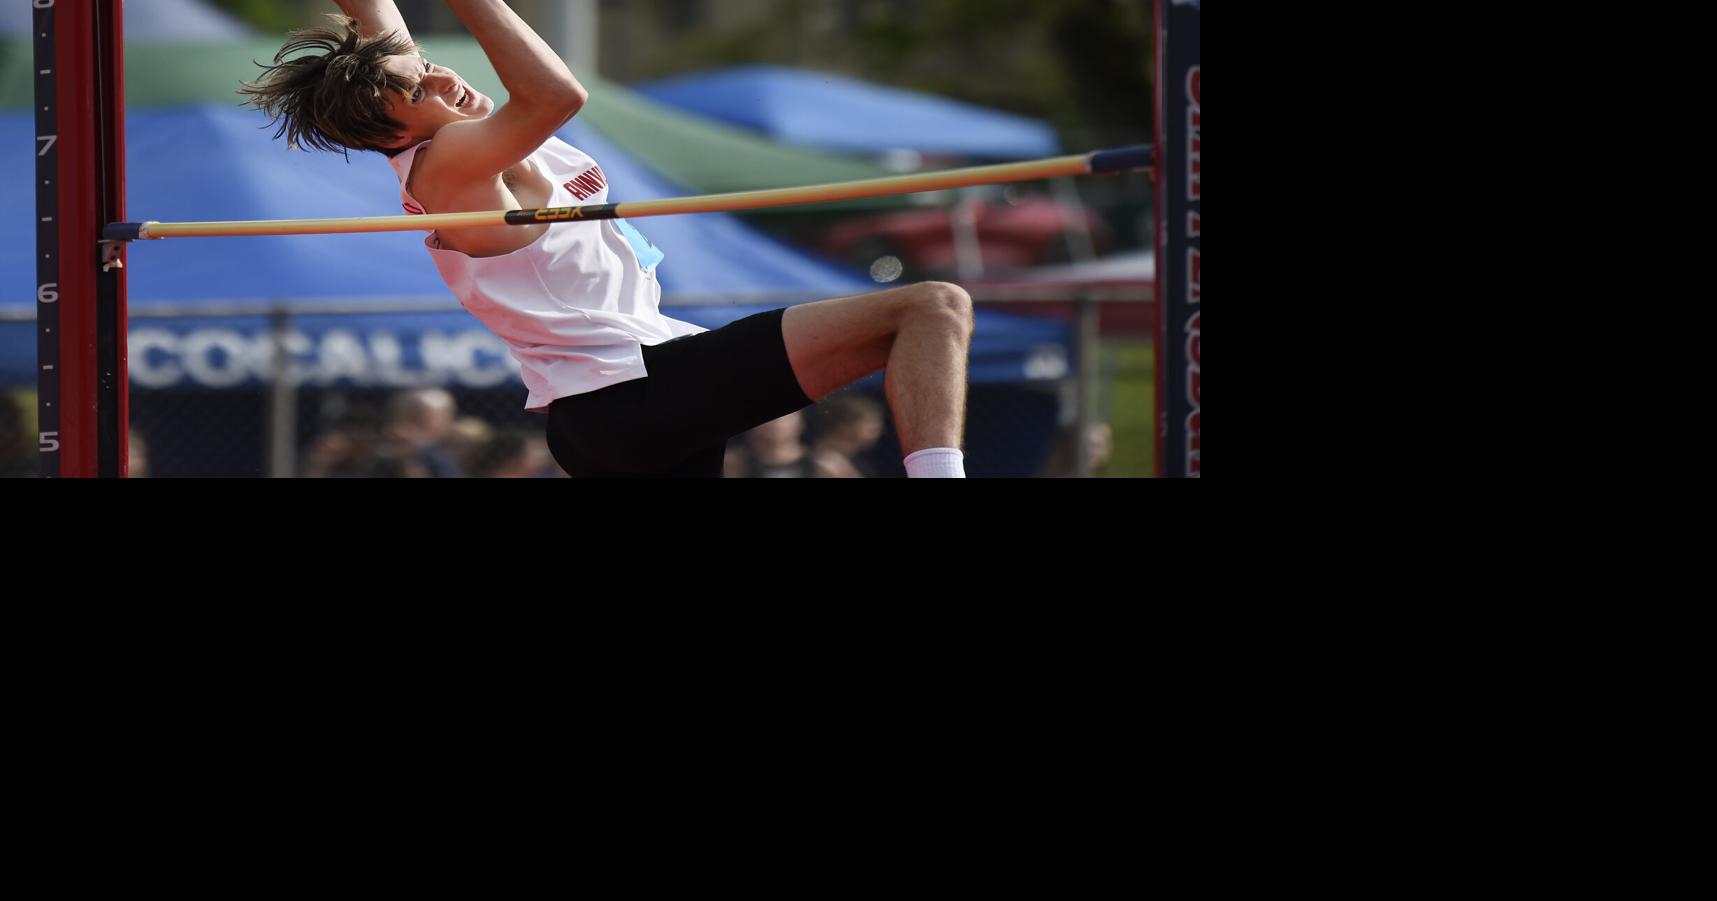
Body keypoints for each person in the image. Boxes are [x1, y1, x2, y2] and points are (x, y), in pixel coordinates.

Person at [241, 0, 973, 478]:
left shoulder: (443, 135)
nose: (442, 78)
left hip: (613, 409)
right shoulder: (448, 165)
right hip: (631, 387)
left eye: (430, 65)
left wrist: (402, 57)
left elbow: (379, 26)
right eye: (421, 87)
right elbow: (559, 96)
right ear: (396, 129)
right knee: (930, 307)